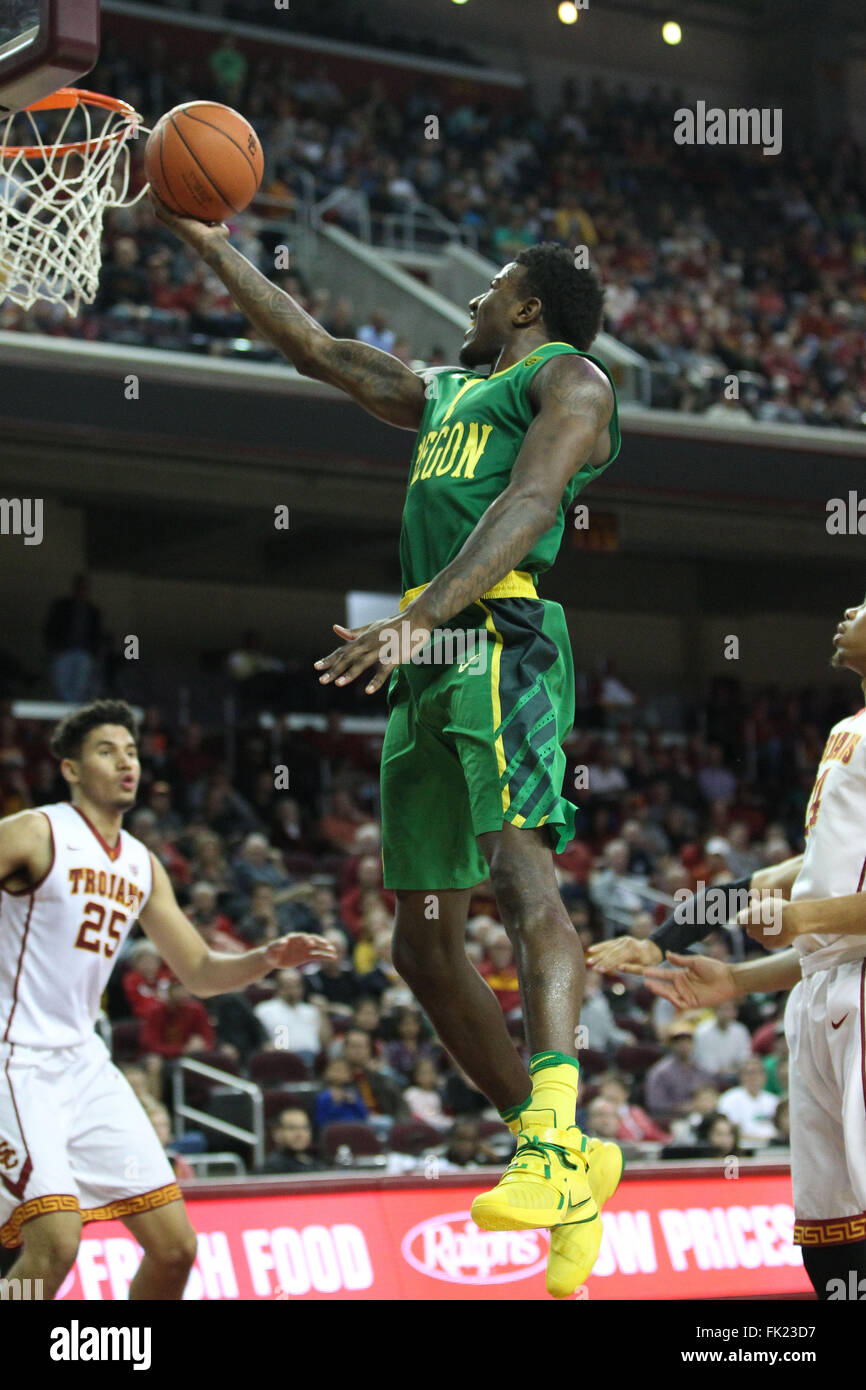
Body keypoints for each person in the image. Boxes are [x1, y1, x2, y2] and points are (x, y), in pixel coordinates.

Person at [150, 192, 623, 1300]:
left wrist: (425, 615)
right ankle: (564, 1161)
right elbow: (314, 346)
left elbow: (530, 497)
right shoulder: (444, 389)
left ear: (527, 302)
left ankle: (554, 1127)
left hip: (496, 628)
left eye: (488, 283)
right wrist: (208, 242)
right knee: (419, 946)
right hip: (421, 656)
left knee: (521, 873)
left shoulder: (569, 382)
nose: (469, 294)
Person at [0, 699, 336, 1299]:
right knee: (55, 1242)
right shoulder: (36, 830)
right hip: (14, 1060)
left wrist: (265, 958)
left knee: (176, 1248)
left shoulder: (140, 863)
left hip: (83, 1064)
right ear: (72, 769)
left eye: (131, 751)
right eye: (107, 751)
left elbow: (201, 972)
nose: (125, 762)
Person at [638, 591, 866, 1300]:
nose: (848, 612)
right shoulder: (847, 729)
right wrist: (722, 973)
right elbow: (791, 890)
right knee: (833, 1230)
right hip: (822, 989)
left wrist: (796, 919)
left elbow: (806, 914)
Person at [43, 575, 103, 703]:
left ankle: (74, 706)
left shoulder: (93, 611)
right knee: (61, 682)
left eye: (86, 588)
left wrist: (94, 653)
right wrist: (53, 648)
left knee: (80, 684)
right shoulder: (62, 606)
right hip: (63, 651)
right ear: (75, 588)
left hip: (84, 653)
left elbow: (97, 634)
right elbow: (50, 628)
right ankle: (69, 705)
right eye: (81, 587)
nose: (83, 591)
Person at [253, 967, 329, 1066]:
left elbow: (325, 1043)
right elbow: (256, 1039)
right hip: (281, 1059)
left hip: (313, 1059)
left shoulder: (311, 1010)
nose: (292, 991)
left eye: (296, 986)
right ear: (278, 988)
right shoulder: (264, 1009)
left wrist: (322, 1014)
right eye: (287, 986)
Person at [716, 1056, 779, 1148]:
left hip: (773, 1148)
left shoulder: (773, 1100)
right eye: (749, 1073)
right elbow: (727, 1131)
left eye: (758, 1072)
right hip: (742, 1149)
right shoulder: (729, 1098)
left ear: (765, 1076)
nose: (753, 1077)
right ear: (741, 1076)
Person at [259, 1108, 327, 1174]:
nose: (300, 1134)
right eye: (292, 1128)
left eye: (305, 1128)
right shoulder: (273, 1168)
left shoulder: (315, 1161)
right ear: (277, 1133)